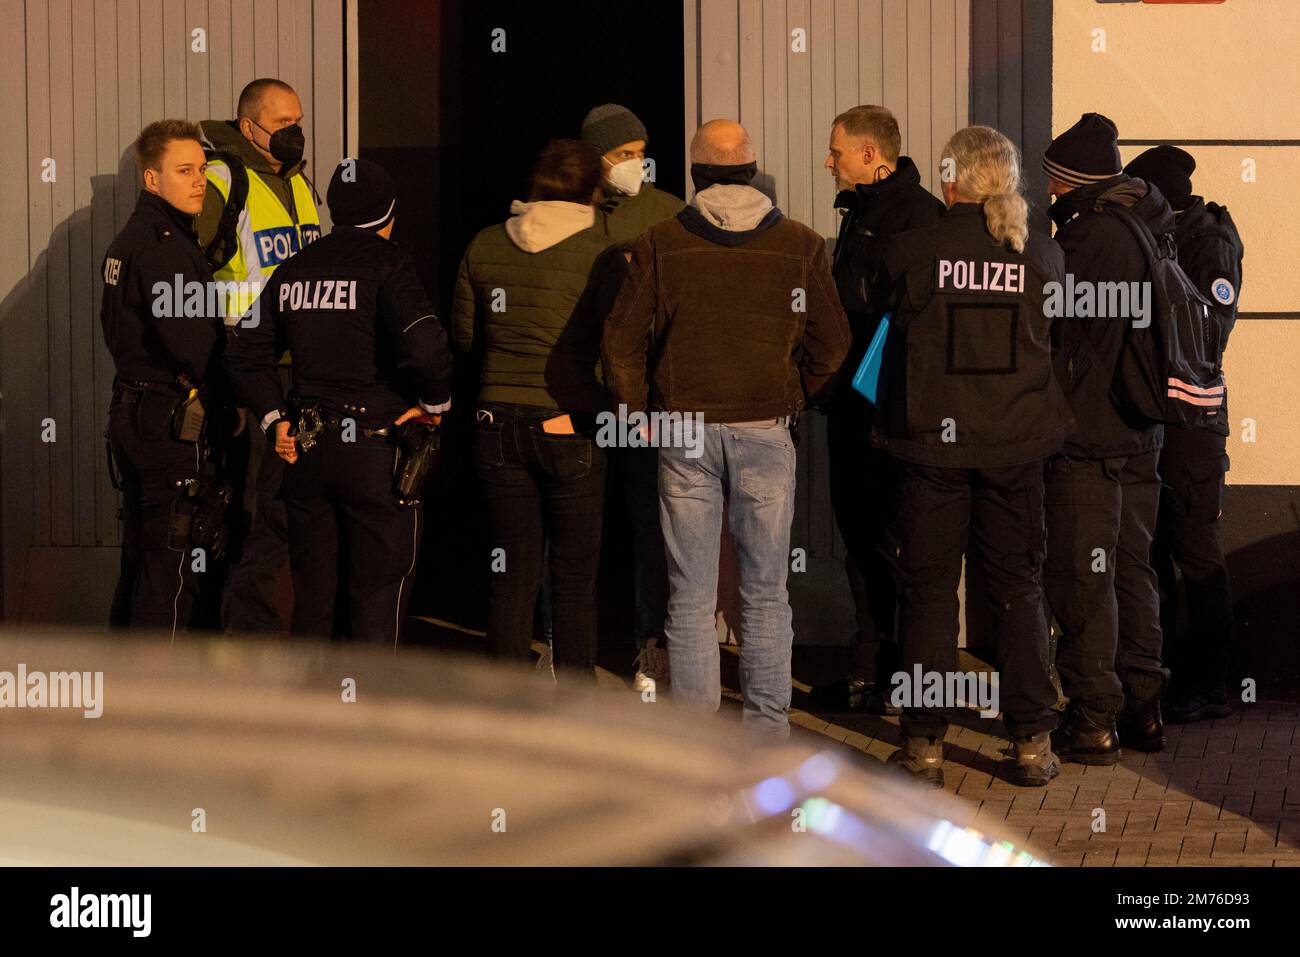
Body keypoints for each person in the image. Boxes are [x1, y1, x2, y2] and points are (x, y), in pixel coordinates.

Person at [603, 119, 851, 739]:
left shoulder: (660, 243)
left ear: (694, 174)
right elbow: (834, 346)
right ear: (750, 169)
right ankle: (767, 731)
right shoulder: (800, 245)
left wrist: (638, 415)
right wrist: (795, 399)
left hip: (683, 430)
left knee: (689, 595)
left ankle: (697, 740)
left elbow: (620, 345)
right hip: (766, 428)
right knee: (766, 592)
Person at [871, 126, 1074, 788]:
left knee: (929, 591)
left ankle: (924, 742)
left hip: (931, 448)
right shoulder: (1043, 256)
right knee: (1018, 588)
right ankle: (1031, 741)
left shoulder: (913, 251)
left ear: (951, 178)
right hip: (1015, 449)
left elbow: (886, 329)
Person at [224, 158, 453, 643]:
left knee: (314, 594)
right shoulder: (390, 265)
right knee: (378, 592)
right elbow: (427, 348)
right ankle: (365, 709)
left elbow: (244, 351)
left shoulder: (295, 267)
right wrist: (435, 408)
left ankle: (315, 709)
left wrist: (274, 421)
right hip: (375, 453)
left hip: (306, 452)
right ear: (390, 213)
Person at [454, 139, 623, 681]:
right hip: (569, 425)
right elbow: (619, 344)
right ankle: (574, 699)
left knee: (512, 567)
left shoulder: (483, 243)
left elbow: (463, 337)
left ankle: (506, 699)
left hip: (495, 421)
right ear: (592, 189)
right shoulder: (602, 251)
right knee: (573, 575)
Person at [1042, 113, 1173, 763]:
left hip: (1091, 437)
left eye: (1051, 182)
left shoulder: (1090, 240)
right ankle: (1144, 707)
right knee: (1131, 570)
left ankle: (1093, 718)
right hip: (1142, 431)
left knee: (1085, 576)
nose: (1045, 194)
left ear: (1071, 183)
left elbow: (1058, 336)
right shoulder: (1149, 226)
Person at [823, 104, 945, 713]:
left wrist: (870, 392)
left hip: (889, 417)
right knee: (859, 540)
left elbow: (911, 327)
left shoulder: (921, 219)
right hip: (851, 410)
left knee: (896, 544)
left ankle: (900, 673)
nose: (828, 162)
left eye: (837, 151)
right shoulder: (860, 213)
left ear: (871, 155)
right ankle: (869, 667)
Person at [1124, 145, 1244, 723]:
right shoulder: (1165, 237)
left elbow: (1208, 330)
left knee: (1197, 554)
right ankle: (1167, 678)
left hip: (1193, 426)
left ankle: (1212, 683)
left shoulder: (1208, 241)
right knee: (1154, 554)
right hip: (1158, 422)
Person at [198, 78, 322, 635]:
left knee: (285, 503)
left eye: (299, 120)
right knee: (254, 504)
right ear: (249, 127)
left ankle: (268, 627)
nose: (295, 132)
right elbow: (188, 268)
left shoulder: (301, 184)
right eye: (281, 123)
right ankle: (243, 636)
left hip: (299, 365)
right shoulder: (225, 180)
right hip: (245, 364)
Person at [101, 120, 231, 638]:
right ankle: (160, 702)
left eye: (201, 169)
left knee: (141, 555)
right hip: (166, 421)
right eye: (184, 171)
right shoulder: (164, 246)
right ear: (151, 179)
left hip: (135, 413)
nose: (198, 181)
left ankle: (125, 692)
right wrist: (233, 402)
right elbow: (195, 346)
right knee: (172, 566)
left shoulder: (131, 240)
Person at [580, 102, 686, 694]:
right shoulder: (568, 215)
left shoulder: (668, 213)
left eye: (641, 154)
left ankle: (653, 651)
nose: (635, 164)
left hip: (644, 404)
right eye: (624, 155)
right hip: (584, 399)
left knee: (653, 527)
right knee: (577, 533)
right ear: (595, 157)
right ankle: (567, 649)